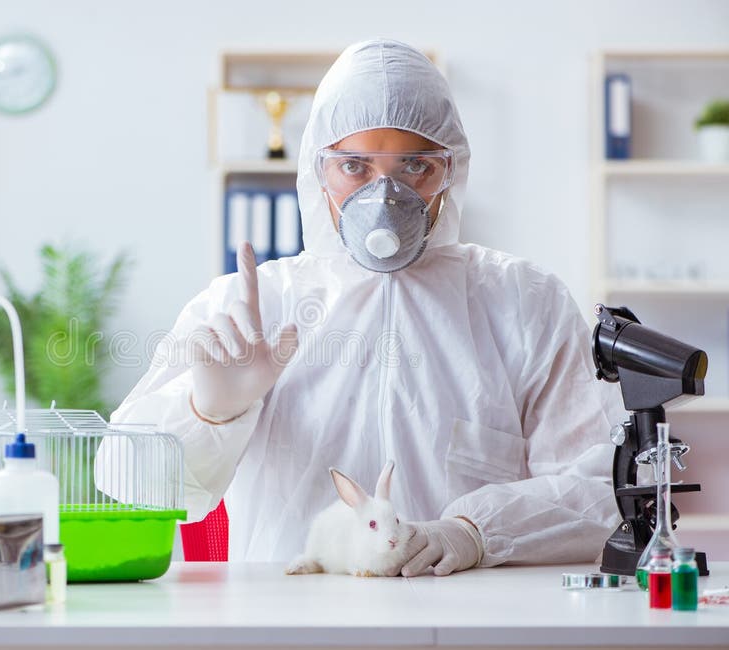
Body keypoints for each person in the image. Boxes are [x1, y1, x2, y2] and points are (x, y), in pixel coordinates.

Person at [110, 39, 625, 576]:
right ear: (319, 172)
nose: (385, 196)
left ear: (450, 171)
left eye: (416, 166)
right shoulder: (254, 306)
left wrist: (476, 531)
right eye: (354, 166)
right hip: (287, 612)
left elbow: (606, 488)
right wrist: (208, 414)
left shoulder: (523, 301)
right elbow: (126, 481)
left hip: (471, 614)